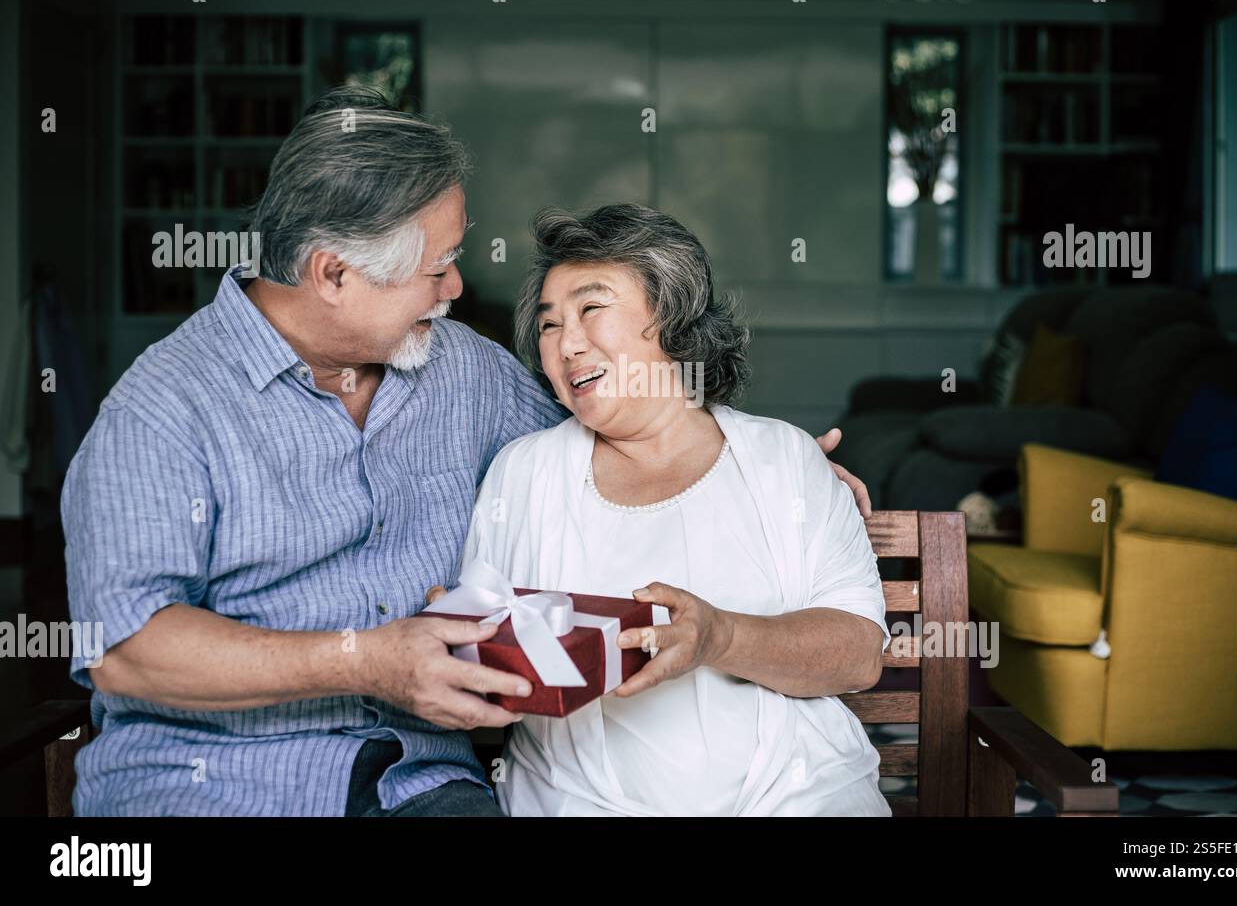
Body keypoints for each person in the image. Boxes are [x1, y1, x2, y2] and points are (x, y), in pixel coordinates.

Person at [62, 88, 873, 816]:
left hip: (421, 783)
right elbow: (125, 652)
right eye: (438, 267)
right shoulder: (161, 410)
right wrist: (367, 661)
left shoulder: (462, 370)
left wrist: (768, 464)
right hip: (215, 780)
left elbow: (618, 421)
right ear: (334, 274)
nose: (456, 290)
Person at [459, 204, 892, 816]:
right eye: (550, 325)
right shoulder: (524, 473)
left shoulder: (784, 461)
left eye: (591, 309)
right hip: (580, 803)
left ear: (669, 315)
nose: (567, 342)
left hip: (792, 798)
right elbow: (479, 646)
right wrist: (461, 636)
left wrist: (720, 636)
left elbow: (858, 654)